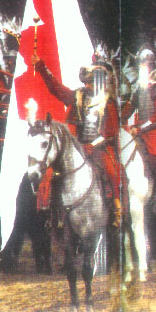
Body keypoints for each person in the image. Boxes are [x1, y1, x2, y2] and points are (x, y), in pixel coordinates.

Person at [32, 53, 124, 227]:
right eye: (86, 82)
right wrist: (42, 69)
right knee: (52, 170)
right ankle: (49, 209)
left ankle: (117, 208)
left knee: (112, 171)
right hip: (77, 146)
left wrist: (92, 145)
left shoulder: (108, 102)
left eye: (91, 82)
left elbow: (110, 132)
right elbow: (56, 89)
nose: (87, 85)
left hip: (100, 147)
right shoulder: (77, 96)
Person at [121, 48, 156, 213]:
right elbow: (130, 108)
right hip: (140, 129)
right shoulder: (139, 87)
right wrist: (118, 119)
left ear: (151, 64)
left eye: (145, 63)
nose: (143, 66)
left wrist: (140, 128)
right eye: (141, 63)